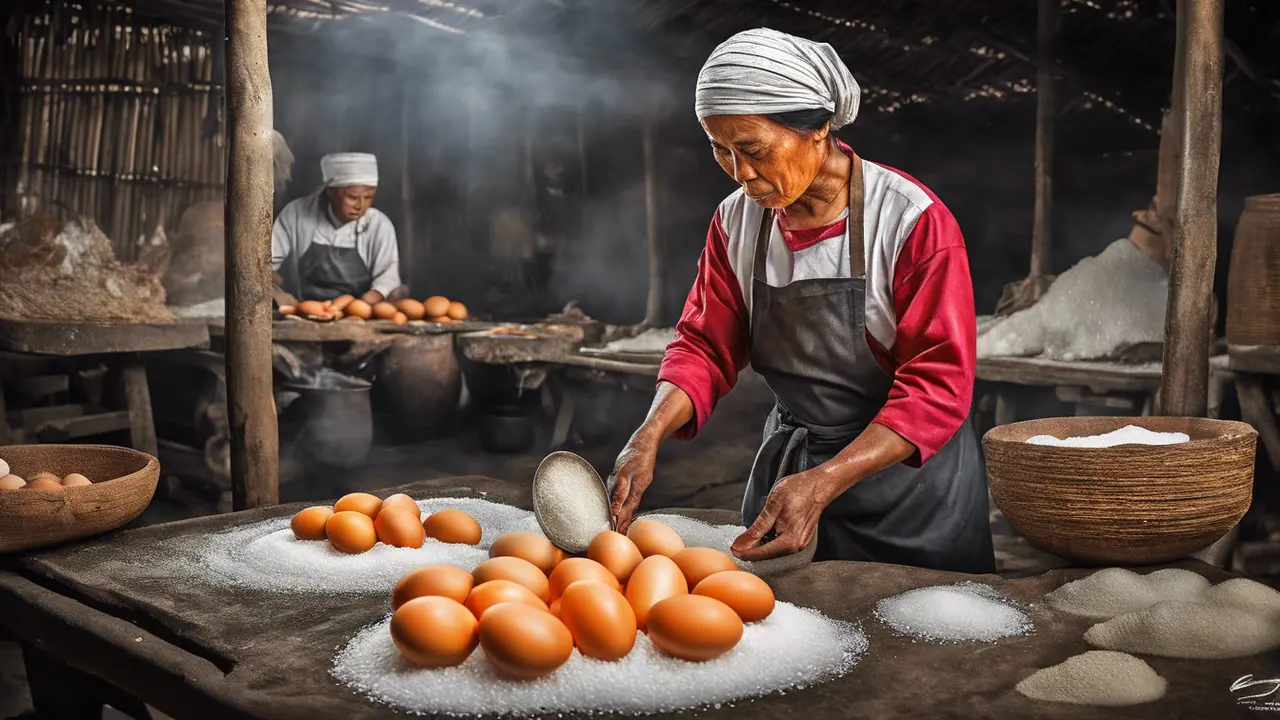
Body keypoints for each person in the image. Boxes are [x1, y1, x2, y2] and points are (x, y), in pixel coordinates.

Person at [607, 28, 994, 574]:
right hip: (796, 474)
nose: (742, 175)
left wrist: (827, 480)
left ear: (818, 129)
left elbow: (938, 385)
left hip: (909, 488)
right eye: (721, 151)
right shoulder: (736, 221)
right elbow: (704, 344)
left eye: (754, 150)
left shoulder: (910, 221)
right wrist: (647, 436)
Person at [271, 152, 402, 303]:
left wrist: (364, 304)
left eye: (368, 197)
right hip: (305, 311)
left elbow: (387, 276)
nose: (360, 206)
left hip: (358, 317)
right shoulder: (296, 214)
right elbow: (266, 263)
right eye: (352, 197)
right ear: (330, 192)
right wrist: (277, 288)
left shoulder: (379, 224)